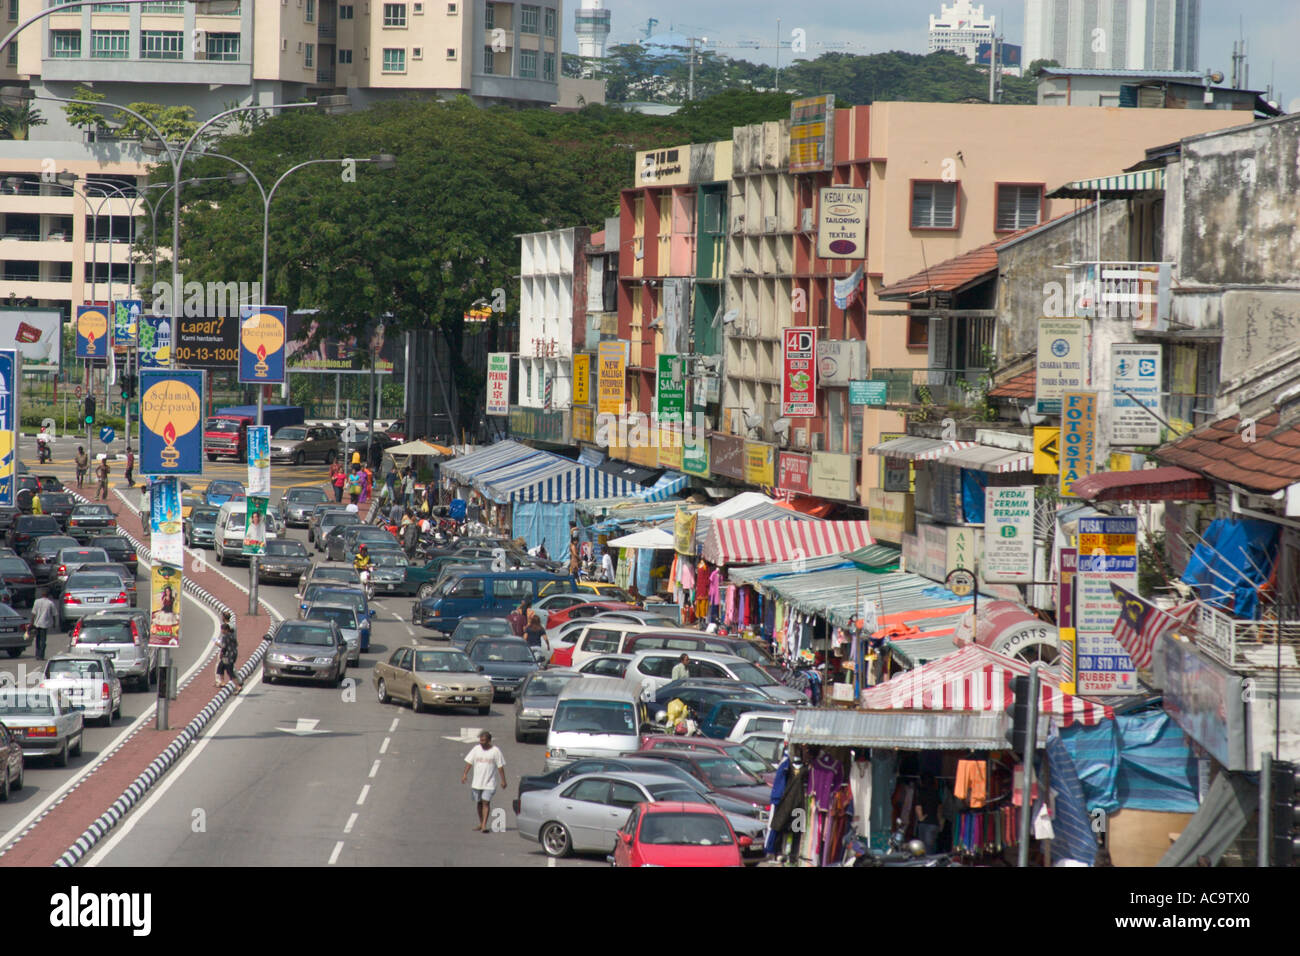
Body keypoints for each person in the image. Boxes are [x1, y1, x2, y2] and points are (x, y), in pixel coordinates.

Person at [461, 730, 507, 833]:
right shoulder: (476, 749)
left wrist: (503, 781)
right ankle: (481, 823)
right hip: (477, 782)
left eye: (484, 741)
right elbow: (469, 762)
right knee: (479, 802)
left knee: (486, 802)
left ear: (489, 741)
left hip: (489, 783)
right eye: (480, 740)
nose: (482, 743)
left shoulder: (495, 751)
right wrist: (464, 774)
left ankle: (484, 825)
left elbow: (500, 767)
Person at [914, 772, 941, 854]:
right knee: (931, 847)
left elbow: (918, 807)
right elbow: (940, 808)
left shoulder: (921, 793)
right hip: (934, 823)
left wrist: (921, 818)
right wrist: (940, 821)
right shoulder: (936, 793)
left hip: (925, 824)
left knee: (923, 848)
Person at [215, 611, 243, 691]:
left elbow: (224, 646)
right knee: (221, 667)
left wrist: (219, 646)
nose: (221, 631)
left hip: (228, 655)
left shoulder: (225, 636)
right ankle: (222, 682)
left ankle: (238, 685)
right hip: (233, 653)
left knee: (229, 670)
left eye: (222, 630)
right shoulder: (232, 632)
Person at [30, 588, 57, 660]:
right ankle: (41, 655)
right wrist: (54, 623)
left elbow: (33, 613)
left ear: (42, 595)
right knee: (43, 641)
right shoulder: (50, 603)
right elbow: (54, 614)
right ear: (48, 595)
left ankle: (37, 655)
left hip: (37, 623)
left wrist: (31, 623)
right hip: (44, 624)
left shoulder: (36, 601)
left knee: (37, 640)